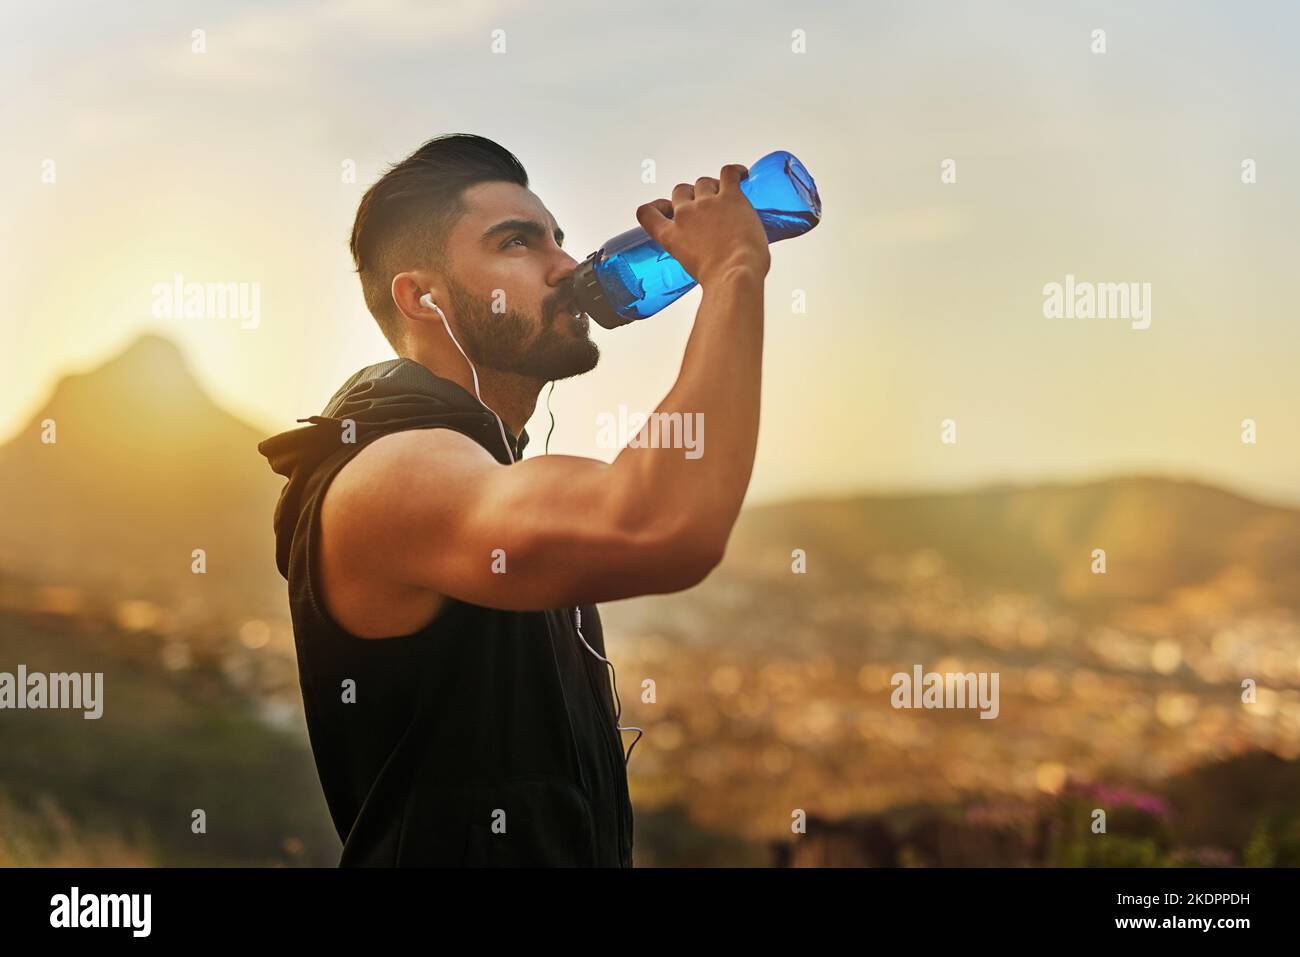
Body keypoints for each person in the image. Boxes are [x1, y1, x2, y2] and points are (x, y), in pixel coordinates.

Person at [257, 133, 769, 866]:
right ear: (421, 297)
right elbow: (661, 522)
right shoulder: (394, 467)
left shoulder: (481, 462)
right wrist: (734, 268)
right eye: (518, 243)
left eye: (558, 239)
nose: (566, 265)